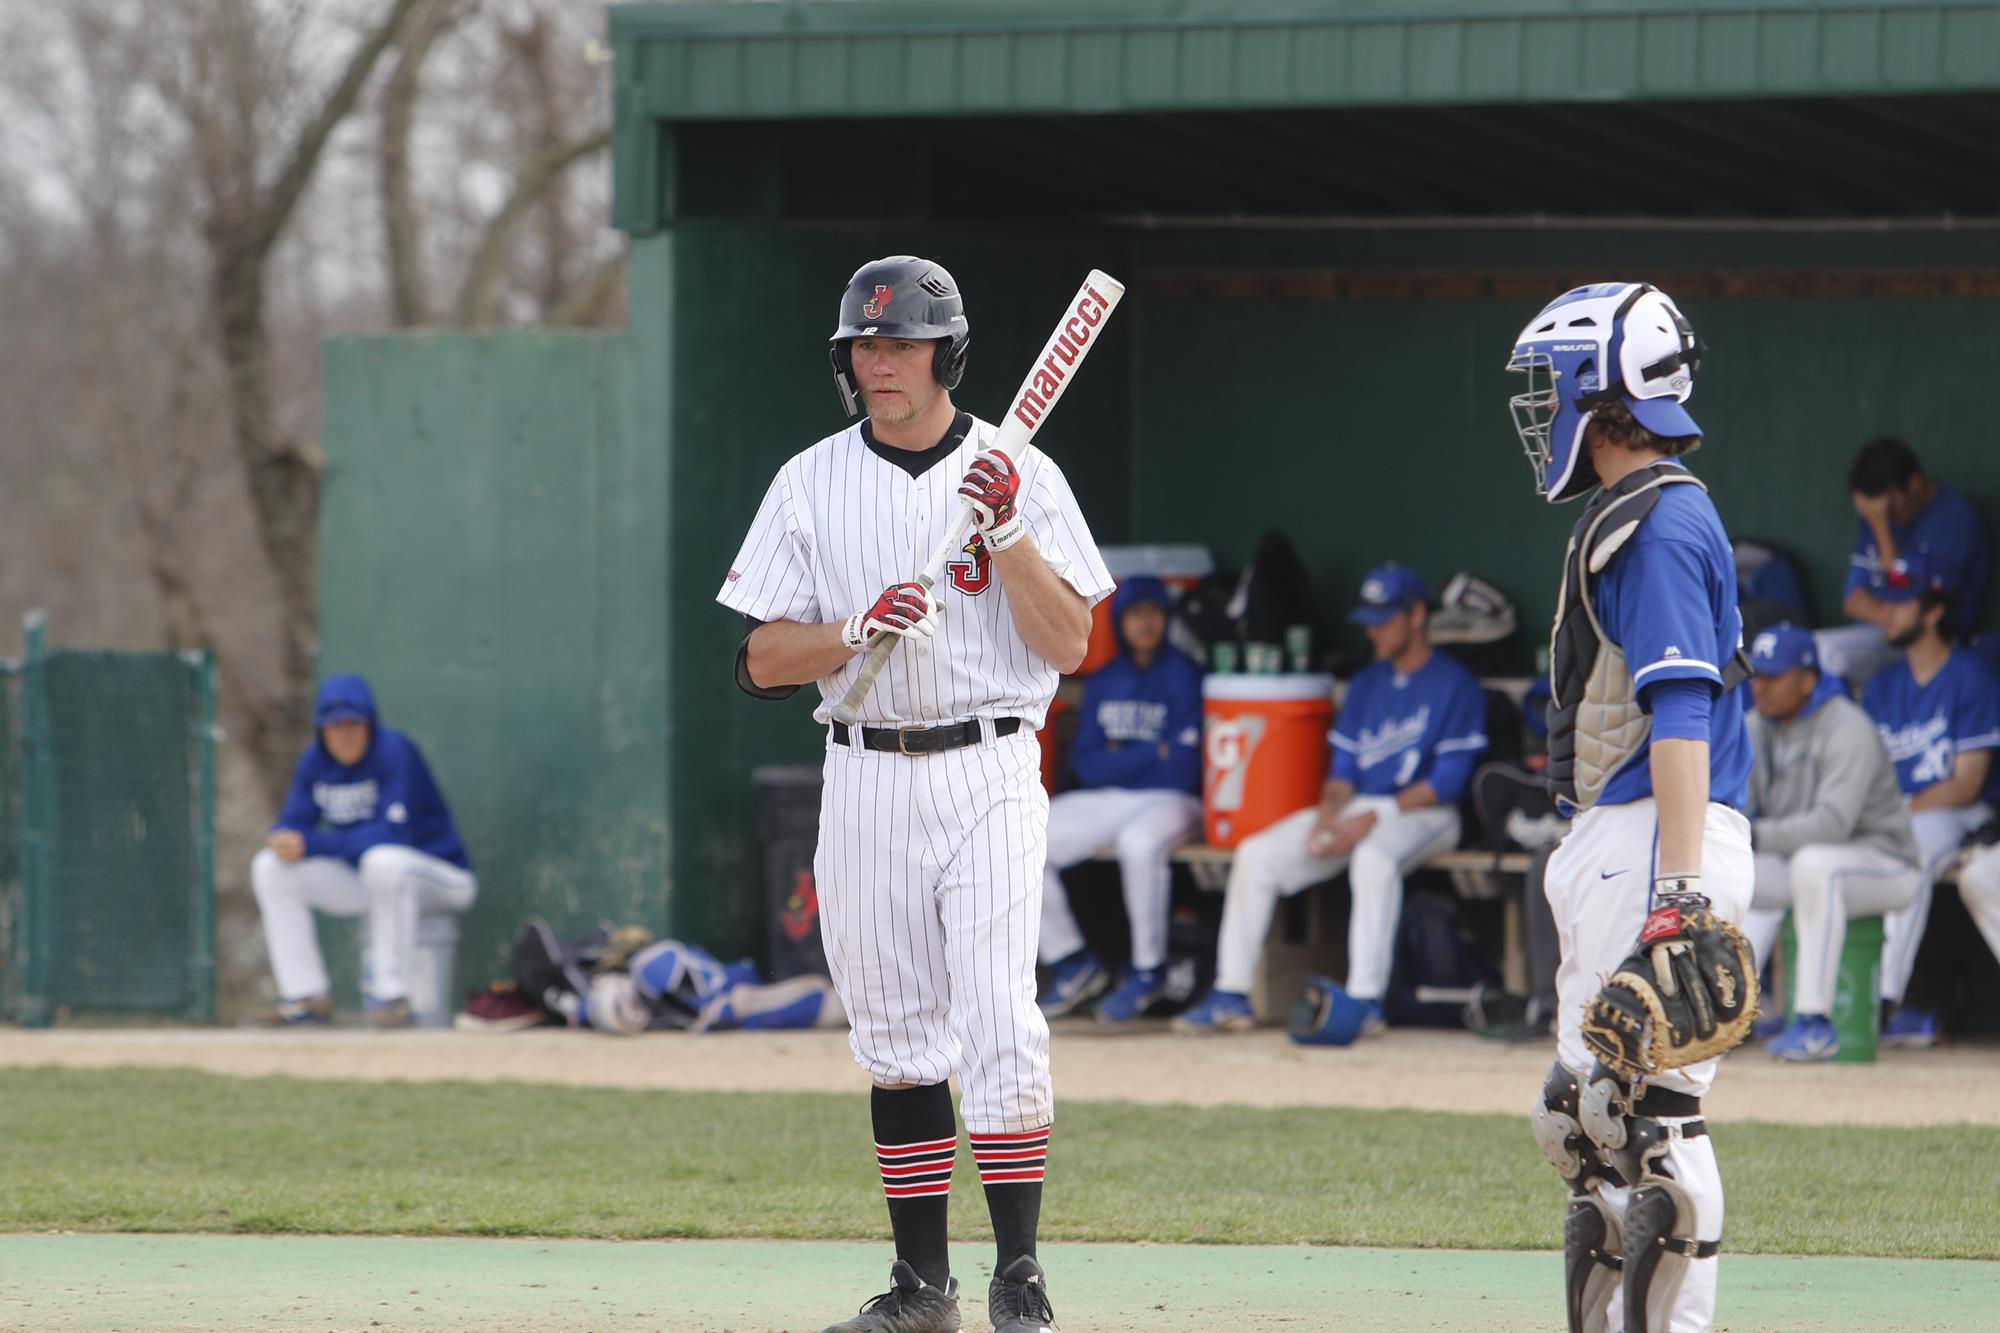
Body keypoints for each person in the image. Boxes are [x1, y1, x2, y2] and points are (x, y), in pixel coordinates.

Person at [716, 256, 1113, 1333]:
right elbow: (756, 659)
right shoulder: (808, 480)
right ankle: (920, 1286)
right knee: (894, 1032)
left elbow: (1071, 642)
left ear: (946, 353)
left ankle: (1019, 1274)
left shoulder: (1014, 469)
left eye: (900, 343)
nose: (879, 362)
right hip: (859, 768)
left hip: (986, 759)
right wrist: (851, 628)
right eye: (864, 345)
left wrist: (1007, 532)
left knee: (994, 1010)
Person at [1510, 282, 1755, 1332]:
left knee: (1649, 1122)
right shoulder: (1633, 514)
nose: (1535, 408)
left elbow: (1680, 710)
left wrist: (1677, 890)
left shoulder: (1656, 523)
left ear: (1595, 391)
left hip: (1655, 838)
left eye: (1547, 386)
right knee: (1586, 1123)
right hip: (1623, 836)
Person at [1172, 562, 1487, 1038]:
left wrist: (1370, 816)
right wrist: (1327, 816)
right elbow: (1341, 775)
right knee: (1257, 854)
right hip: (1360, 809)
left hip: (1430, 815)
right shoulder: (1364, 685)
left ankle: (1365, 1001)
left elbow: (1449, 782)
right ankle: (1231, 994)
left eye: (1385, 619)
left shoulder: (1454, 684)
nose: (1374, 631)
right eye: (1370, 621)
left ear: (1416, 615)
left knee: (1372, 857)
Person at [1736, 624, 1921, 1062]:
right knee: (1723, 872)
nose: (1761, 686)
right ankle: (1713, 1015)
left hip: (1886, 863)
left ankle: (1814, 1022)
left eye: (1775, 676)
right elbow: (1739, 810)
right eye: (1757, 675)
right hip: (1802, 859)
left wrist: (1755, 834)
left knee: (1816, 864)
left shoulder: (1846, 726)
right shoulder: (1755, 726)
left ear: (1808, 679)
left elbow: (1833, 825)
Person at [252, 674, 476, 1028]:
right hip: (369, 880)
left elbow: (392, 835)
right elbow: (295, 824)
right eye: (335, 725)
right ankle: (306, 996)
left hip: (442, 877)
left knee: (384, 861)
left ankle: (392, 998)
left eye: (354, 723)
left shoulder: (395, 752)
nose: (345, 733)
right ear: (322, 730)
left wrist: (312, 843)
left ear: (369, 723)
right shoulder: (315, 761)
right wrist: (283, 838)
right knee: (270, 867)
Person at [1037, 576, 1204, 1023]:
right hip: (1108, 798)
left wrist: (1125, 756)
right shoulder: (1106, 680)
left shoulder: (1186, 675)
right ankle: (1072, 961)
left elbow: (1184, 768)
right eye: (1135, 613)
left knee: (1139, 843)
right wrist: (1154, 751)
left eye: (1154, 612)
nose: (1146, 622)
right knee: (1024, 838)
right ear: (1121, 621)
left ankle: (1149, 970)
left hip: (1173, 800)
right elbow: (1090, 766)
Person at [1860, 556, 2000, 1048]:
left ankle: (1885, 996)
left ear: (1934, 610)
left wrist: (1894, 816)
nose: (1887, 614)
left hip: (1960, 813)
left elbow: (1966, 783)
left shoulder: (1970, 676)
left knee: (1912, 845)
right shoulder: (1882, 686)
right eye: (1884, 603)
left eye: (1900, 603)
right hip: (1901, 812)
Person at [1820, 438, 1989, 686]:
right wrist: (1893, 614)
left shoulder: (1953, 519)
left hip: (1934, 641)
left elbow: (1921, 604)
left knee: (1829, 654)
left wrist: (1880, 524)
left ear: (1915, 483)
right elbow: (1853, 601)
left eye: (1889, 506)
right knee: (1808, 653)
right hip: (1883, 636)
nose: (1886, 517)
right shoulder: (1877, 524)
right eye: (1875, 513)